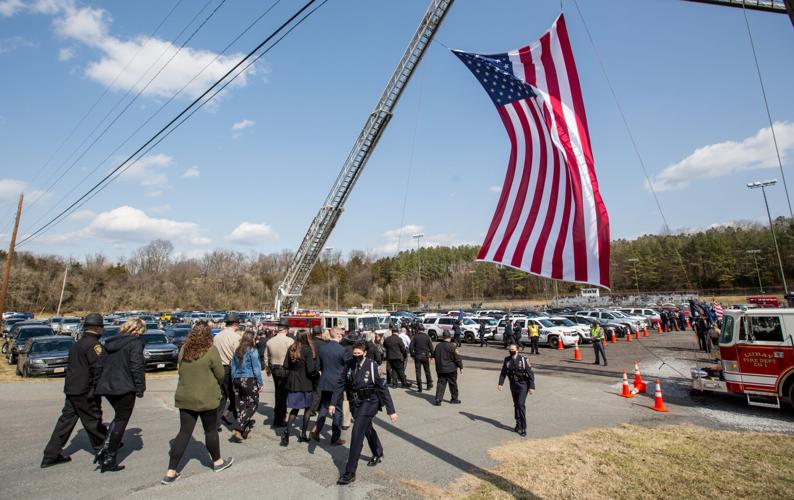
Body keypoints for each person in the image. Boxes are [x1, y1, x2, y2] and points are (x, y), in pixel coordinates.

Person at [162, 322, 233, 485]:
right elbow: (220, 374)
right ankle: (217, 462)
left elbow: (180, 370)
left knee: (184, 432)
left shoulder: (184, 350)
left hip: (185, 396)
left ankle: (171, 471)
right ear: (209, 335)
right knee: (210, 430)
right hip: (206, 397)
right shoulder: (211, 351)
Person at [42, 313, 107, 468]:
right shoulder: (94, 346)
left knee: (65, 423)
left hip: (72, 388)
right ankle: (104, 452)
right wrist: (97, 390)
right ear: (98, 328)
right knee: (93, 422)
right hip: (85, 391)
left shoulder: (76, 344)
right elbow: (97, 369)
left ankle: (51, 454)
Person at [330, 342, 397, 485]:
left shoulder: (373, 366)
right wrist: (332, 403)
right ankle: (378, 452)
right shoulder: (349, 364)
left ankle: (350, 472)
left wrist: (391, 410)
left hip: (369, 402)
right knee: (366, 428)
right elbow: (340, 383)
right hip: (356, 403)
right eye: (354, 354)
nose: (357, 357)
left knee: (357, 433)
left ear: (365, 353)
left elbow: (383, 389)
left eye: (359, 354)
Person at [93, 318, 146, 472]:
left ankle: (106, 449)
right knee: (122, 419)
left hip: (108, 386)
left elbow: (100, 365)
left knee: (118, 418)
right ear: (138, 331)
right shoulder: (135, 343)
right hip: (124, 386)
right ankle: (108, 456)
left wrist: (98, 383)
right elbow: (136, 365)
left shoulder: (110, 342)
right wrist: (140, 387)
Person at [312, 328, 351, 445]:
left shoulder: (322, 348)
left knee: (324, 406)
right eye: (341, 335)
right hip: (337, 382)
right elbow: (346, 368)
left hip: (325, 380)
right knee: (338, 410)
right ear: (338, 335)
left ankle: (317, 428)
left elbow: (318, 367)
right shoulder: (342, 350)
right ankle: (335, 437)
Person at [281, 331, 318, 446]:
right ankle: (303, 434)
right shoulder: (307, 350)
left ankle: (287, 433)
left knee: (295, 409)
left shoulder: (291, 348)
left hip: (293, 382)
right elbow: (311, 370)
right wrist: (317, 373)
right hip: (306, 382)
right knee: (307, 408)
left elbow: (285, 366)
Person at [230, 330, 263, 443]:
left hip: (237, 380)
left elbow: (233, 367)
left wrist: (233, 380)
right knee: (253, 403)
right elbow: (256, 368)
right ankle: (238, 427)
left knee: (241, 405)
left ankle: (242, 431)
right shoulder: (252, 351)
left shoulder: (237, 350)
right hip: (248, 379)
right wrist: (260, 382)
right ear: (252, 339)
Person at [497, 343, 535, 437]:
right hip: (513, 384)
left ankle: (523, 427)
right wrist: (500, 383)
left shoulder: (523, 359)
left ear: (517, 350)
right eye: (510, 349)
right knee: (516, 404)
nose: (511, 351)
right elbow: (503, 372)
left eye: (512, 349)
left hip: (523, 385)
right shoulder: (507, 360)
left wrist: (532, 387)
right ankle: (518, 423)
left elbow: (530, 373)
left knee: (521, 404)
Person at [213, 313, 242, 429]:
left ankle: (215, 423)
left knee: (222, 396)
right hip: (230, 368)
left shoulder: (217, 336)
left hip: (218, 368)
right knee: (235, 396)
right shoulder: (236, 337)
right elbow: (239, 355)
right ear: (235, 323)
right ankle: (238, 424)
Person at [265, 319, 294, 428]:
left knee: (278, 392)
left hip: (274, 368)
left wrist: (268, 368)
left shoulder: (270, 341)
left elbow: (266, 356)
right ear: (286, 330)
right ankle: (280, 418)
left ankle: (279, 416)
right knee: (283, 395)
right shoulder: (290, 341)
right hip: (285, 369)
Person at [432, 331, 462, 406]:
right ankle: (454, 399)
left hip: (440, 368)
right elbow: (457, 358)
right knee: (453, 384)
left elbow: (434, 355)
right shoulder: (452, 346)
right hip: (451, 369)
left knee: (441, 384)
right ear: (450, 337)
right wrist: (460, 366)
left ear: (443, 337)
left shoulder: (438, 346)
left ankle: (438, 399)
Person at [409, 323, 433, 393]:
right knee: (427, 371)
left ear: (418, 330)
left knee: (418, 372)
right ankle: (429, 385)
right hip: (425, 355)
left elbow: (411, 348)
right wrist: (432, 356)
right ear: (423, 330)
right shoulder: (427, 337)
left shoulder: (415, 337)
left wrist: (413, 355)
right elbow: (431, 348)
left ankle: (420, 388)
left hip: (417, 356)